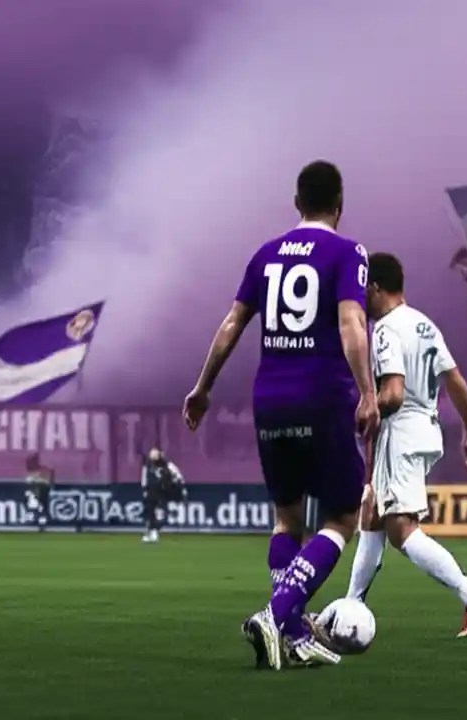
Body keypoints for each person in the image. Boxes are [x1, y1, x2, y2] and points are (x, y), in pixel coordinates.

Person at [183, 160, 378, 670]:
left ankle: (292, 633)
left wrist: (203, 388)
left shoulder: (265, 255)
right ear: (339, 204)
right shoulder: (348, 252)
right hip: (322, 395)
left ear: (296, 203)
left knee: (287, 518)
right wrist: (368, 392)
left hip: (269, 398)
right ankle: (276, 614)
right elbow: (352, 321)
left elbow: (231, 324)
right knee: (342, 516)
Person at [344, 251, 467, 637]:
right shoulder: (425, 325)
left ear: (376, 287)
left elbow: (393, 394)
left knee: (400, 528)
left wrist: (364, 409)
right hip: (425, 429)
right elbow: (456, 380)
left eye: (363, 288)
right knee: (373, 516)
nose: (360, 297)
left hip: (401, 431)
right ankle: (350, 606)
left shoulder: (384, 330)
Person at [140, 447, 187, 543]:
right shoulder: (147, 466)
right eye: (152, 456)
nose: (153, 458)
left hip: (162, 493)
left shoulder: (167, 465)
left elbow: (179, 476)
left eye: (155, 456)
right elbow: (144, 479)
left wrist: (180, 486)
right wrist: (144, 490)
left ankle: (154, 531)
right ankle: (150, 533)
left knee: (162, 515)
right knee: (149, 514)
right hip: (150, 493)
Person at [24, 453, 55, 531]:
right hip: (35, 493)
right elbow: (29, 480)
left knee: (42, 509)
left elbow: (47, 481)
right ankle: (39, 523)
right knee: (38, 509)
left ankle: (42, 525)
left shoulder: (43, 471)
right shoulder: (33, 472)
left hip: (42, 493)